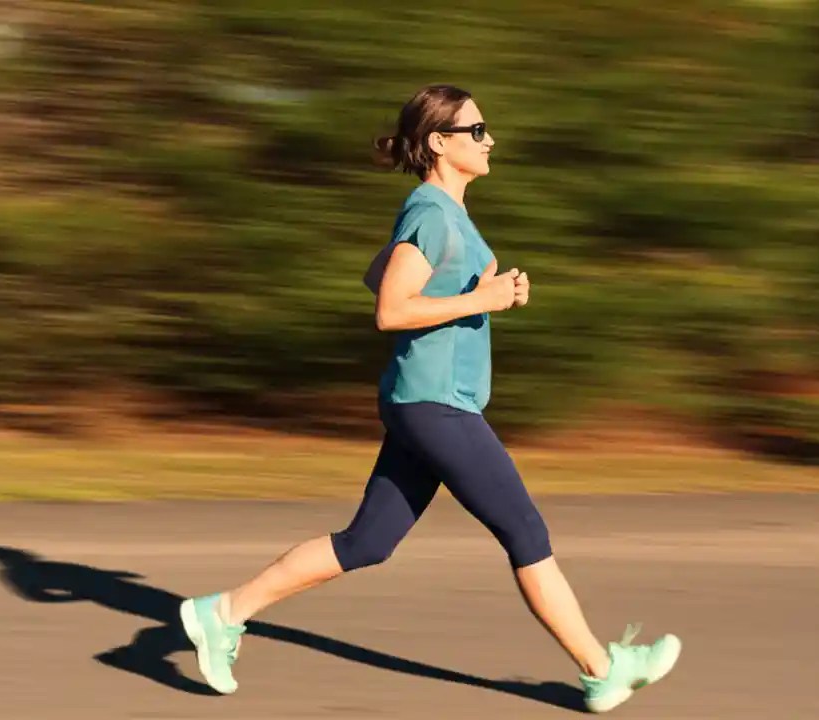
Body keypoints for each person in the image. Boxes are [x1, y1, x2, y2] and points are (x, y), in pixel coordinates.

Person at [179, 84, 680, 713]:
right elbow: (390, 309)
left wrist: (494, 291)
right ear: (440, 142)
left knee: (367, 543)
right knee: (524, 529)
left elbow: (395, 282)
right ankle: (602, 669)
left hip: (431, 401)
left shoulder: (447, 213)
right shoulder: (431, 213)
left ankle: (222, 612)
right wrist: (481, 300)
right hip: (435, 404)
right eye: (477, 130)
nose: (489, 139)